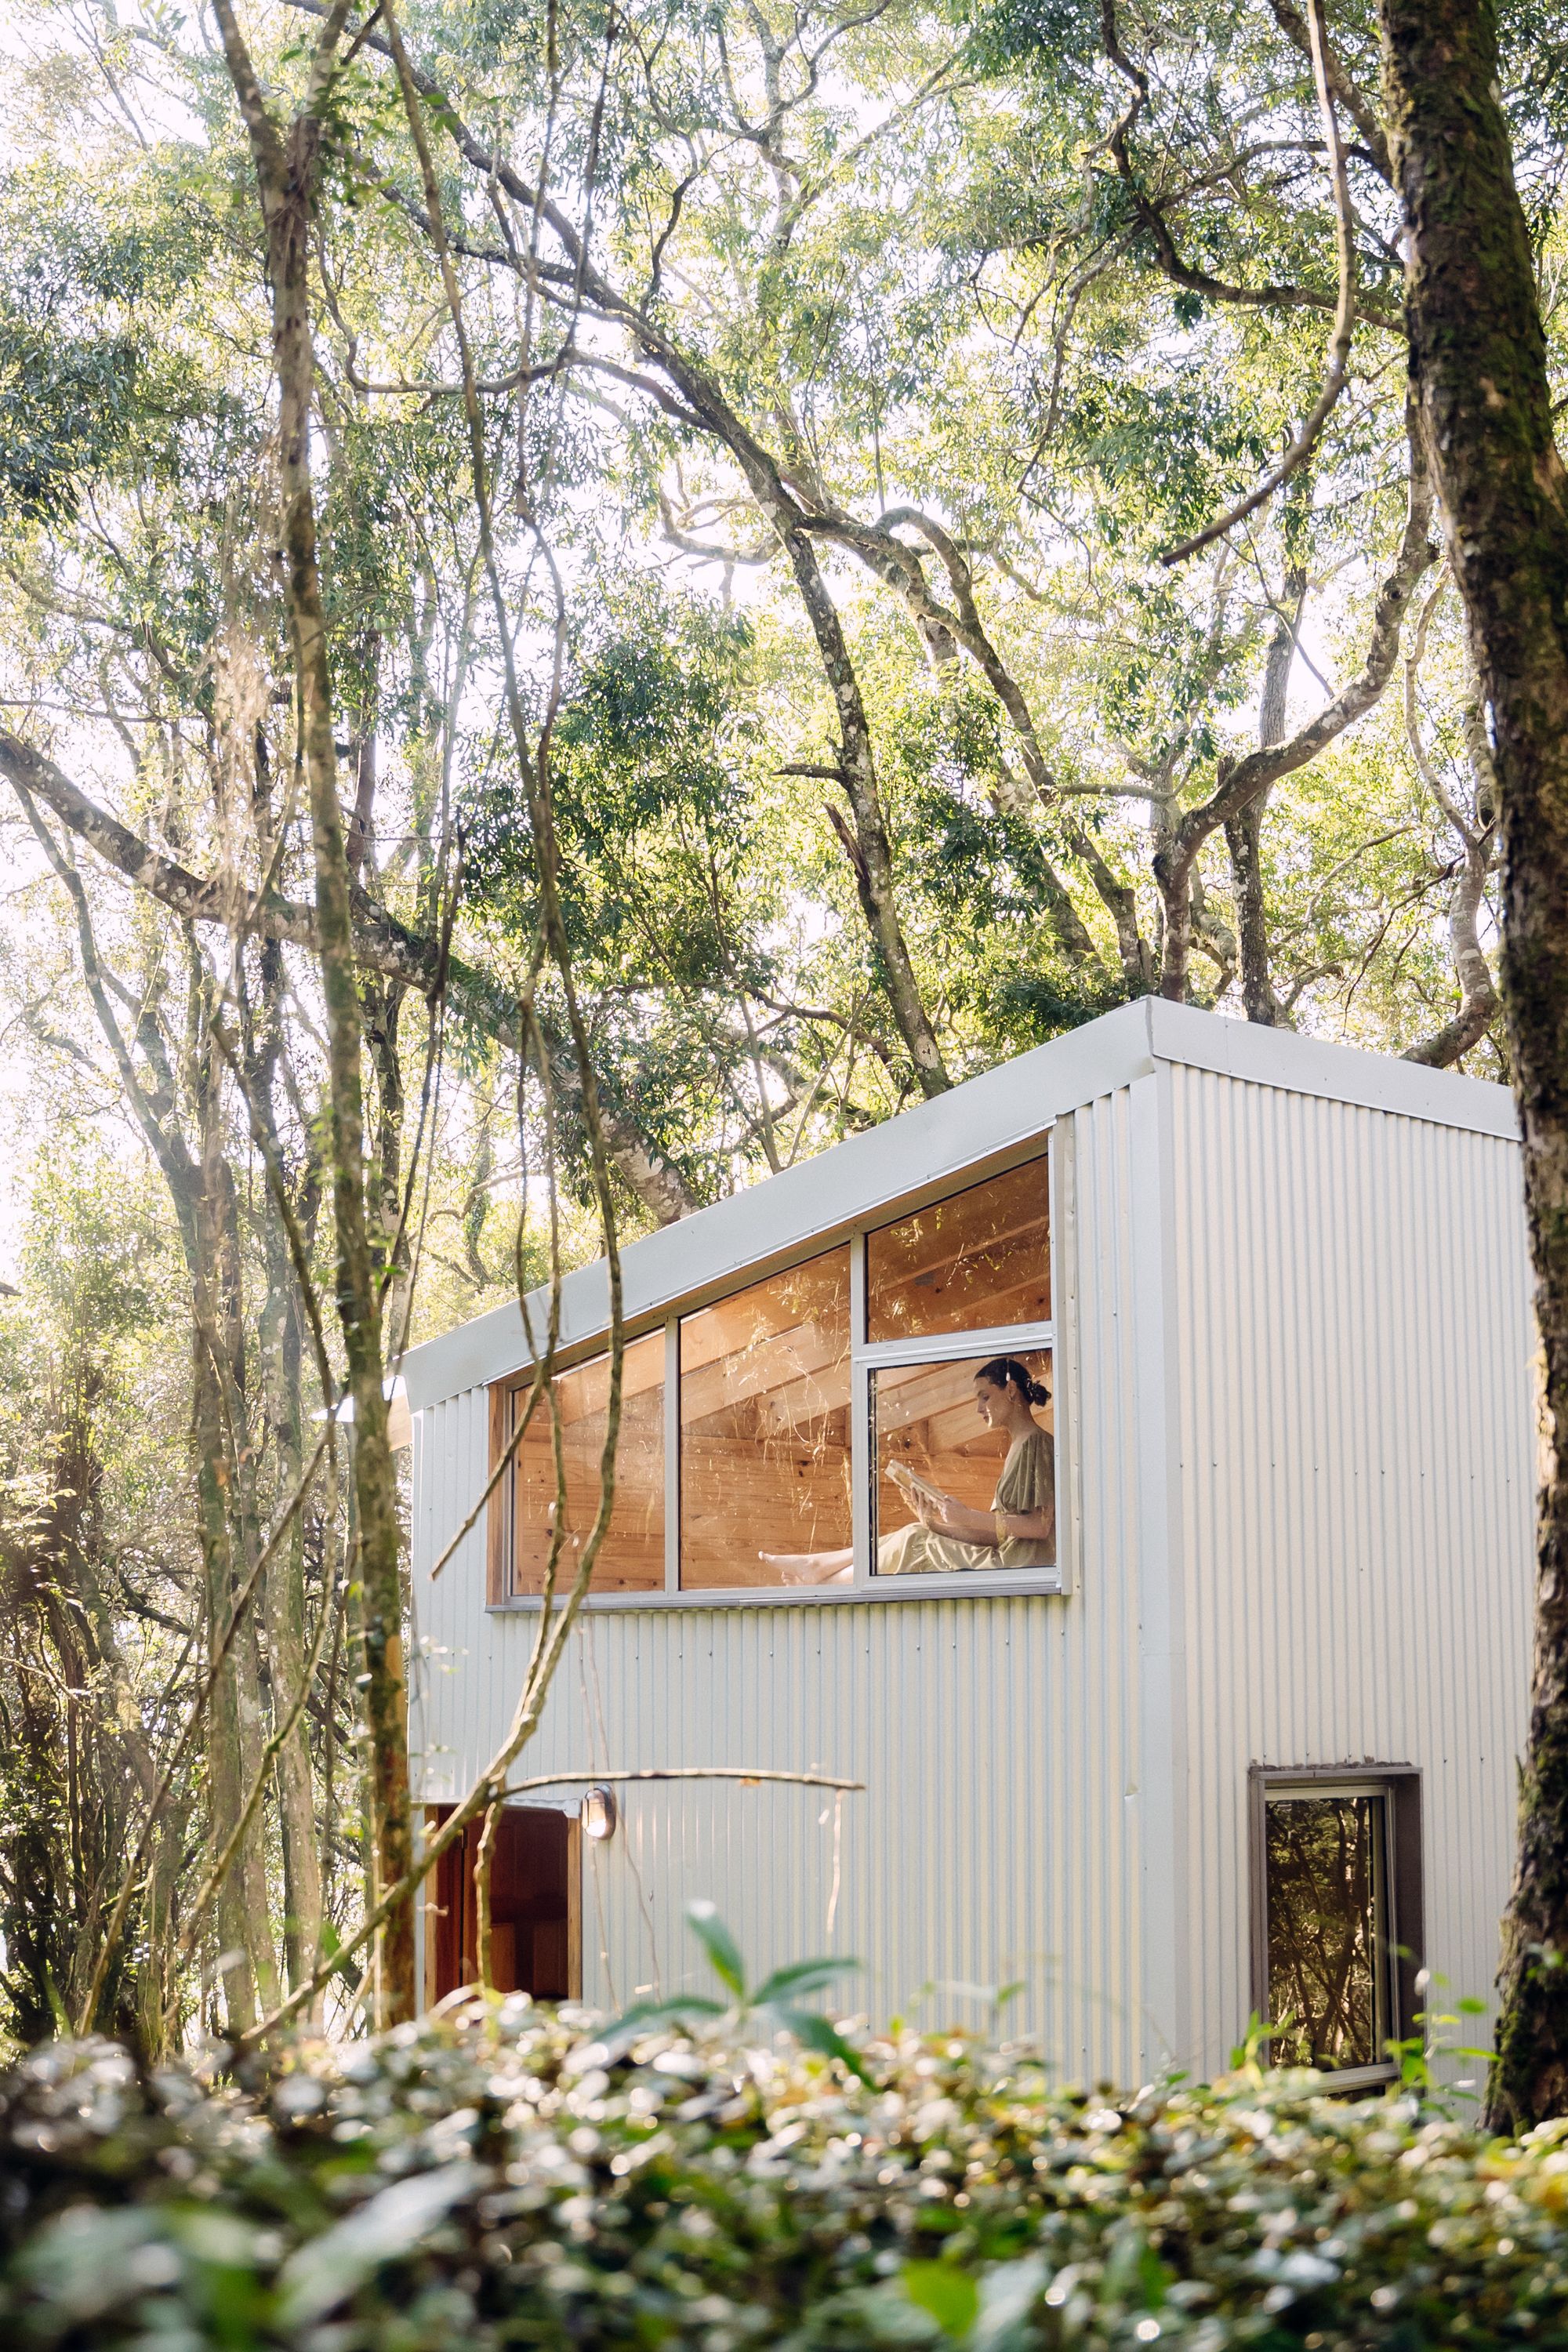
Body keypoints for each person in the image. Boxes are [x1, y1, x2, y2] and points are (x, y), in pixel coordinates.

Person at [760, 1357, 1056, 1584]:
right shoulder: (1019, 1447)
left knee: (914, 1542)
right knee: (915, 1531)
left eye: (985, 1396)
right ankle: (818, 1568)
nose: (978, 1408)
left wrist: (967, 1517)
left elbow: (1039, 1527)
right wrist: (935, 1524)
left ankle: (824, 1582)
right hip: (1009, 1563)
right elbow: (1001, 1535)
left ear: (1011, 1390)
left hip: (1019, 1570)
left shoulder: (1038, 1444)